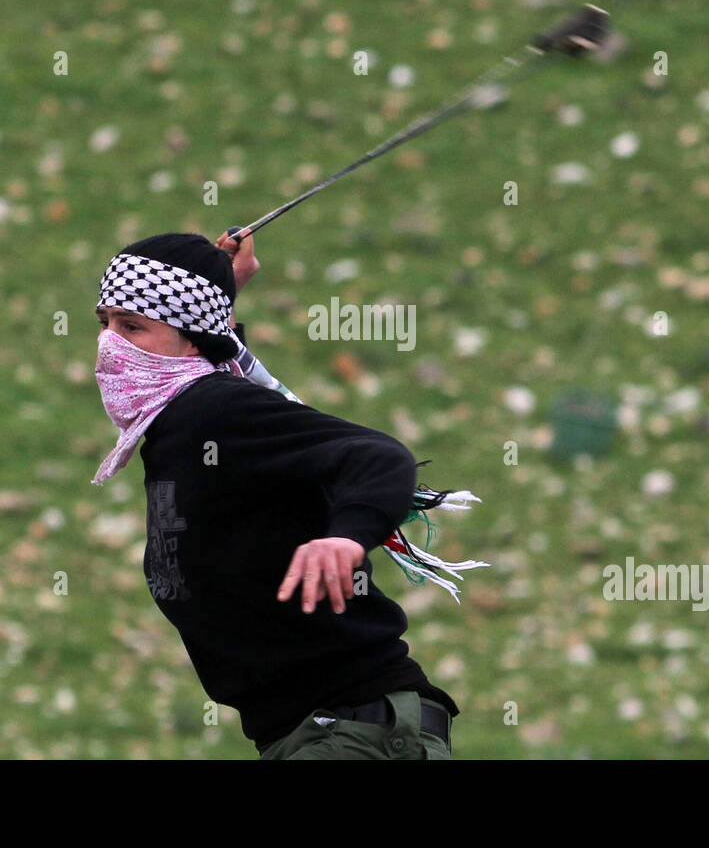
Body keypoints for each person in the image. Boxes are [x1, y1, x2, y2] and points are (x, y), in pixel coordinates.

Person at [90, 229, 485, 759]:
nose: (109, 342)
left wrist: (348, 538)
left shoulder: (212, 412)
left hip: (353, 729)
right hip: (312, 735)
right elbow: (227, 363)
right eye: (106, 323)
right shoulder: (180, 426)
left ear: (192, 339)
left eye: (132, 326)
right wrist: (221, 288)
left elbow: (379, 456)